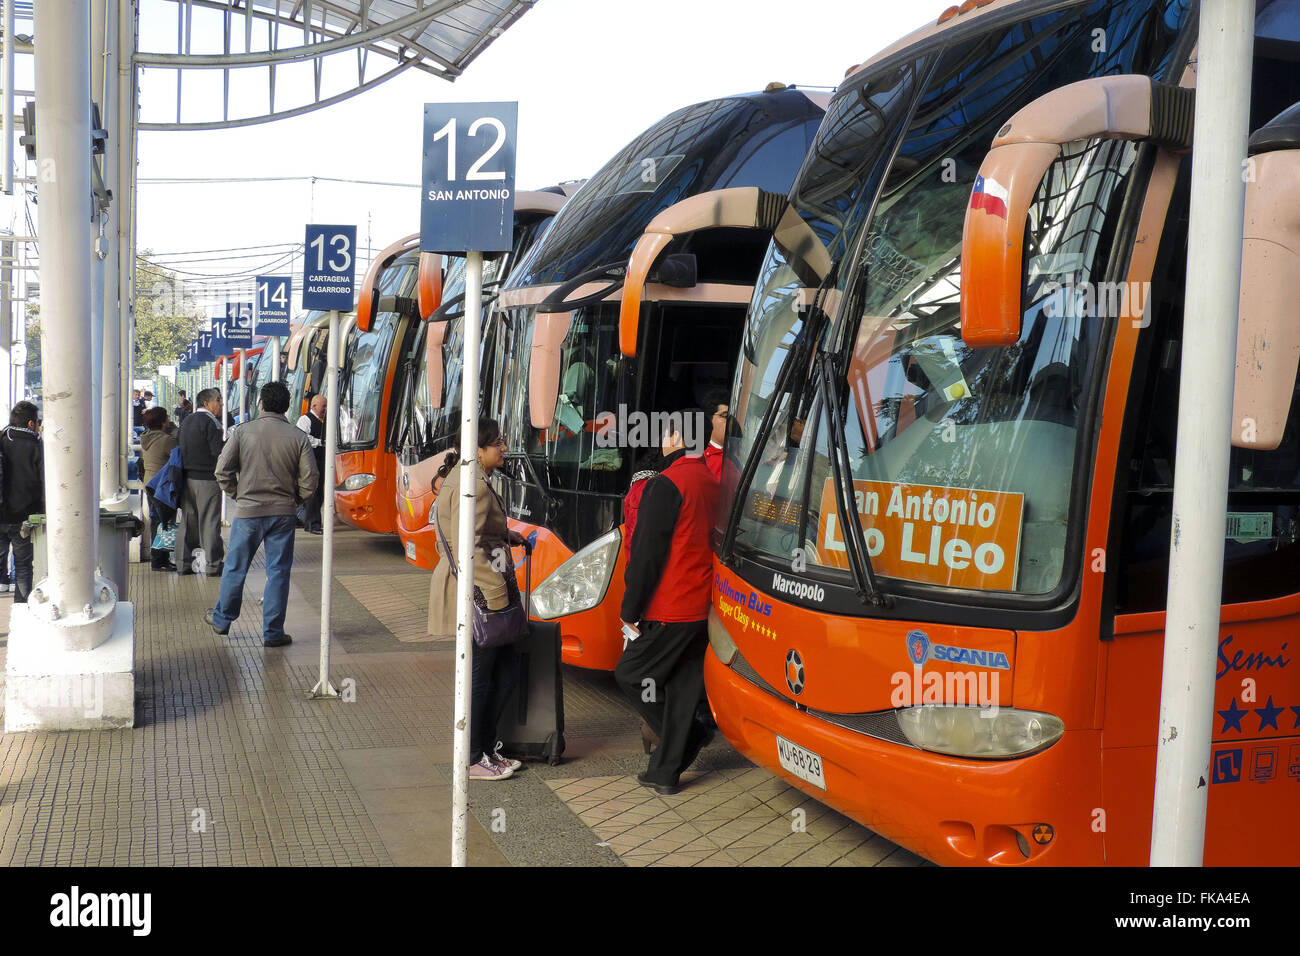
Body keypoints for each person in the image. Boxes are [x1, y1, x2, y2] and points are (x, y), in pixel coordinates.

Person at [616, 408, 719, 795]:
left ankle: (688, 736)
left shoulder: (666, 484)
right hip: (702, 606)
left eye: (665, 435)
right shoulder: (709, 481)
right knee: (680, 688)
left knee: (630, 673)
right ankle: (664, 772)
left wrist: (630, 609)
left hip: (671, 605)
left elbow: (646, 552)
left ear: (676, 439)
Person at [427, 418, 527, 781]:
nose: (504, 447)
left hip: (474, 589)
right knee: (485, 677)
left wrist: (507, 534)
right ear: (479, 448)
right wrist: (496, 594)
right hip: (482, 594)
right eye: (498, 442)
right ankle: (473, 757)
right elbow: (467, 548)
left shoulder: (466, 478)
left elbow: (468, 533)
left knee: (500, 673)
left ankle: (485, 749)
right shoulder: (474, 486)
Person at [206, 381, 318, 647]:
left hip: (248, 512)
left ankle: (223, 619)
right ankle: (273, 632)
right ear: (287, 406)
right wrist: (295, 500)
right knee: (278, 572)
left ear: (261, 404)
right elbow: (310, 478)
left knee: (235, 568)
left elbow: (222, 471)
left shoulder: (242, 432)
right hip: (283, 514)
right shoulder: (298, 437)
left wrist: (238, 494)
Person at [174, 387, 226, 575]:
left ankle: (182, 563)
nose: (220, 404)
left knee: (188, 522)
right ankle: (213, 564)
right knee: (210, 522)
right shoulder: (212, 423)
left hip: (187, 479)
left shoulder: (187, 420)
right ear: (207, 403)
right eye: (218, 400)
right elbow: (218, 452)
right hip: (207, 480)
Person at [0, 401, 43, 603]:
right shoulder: (36, 446)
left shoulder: (1, 439)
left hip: (1, 514)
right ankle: (21, 608)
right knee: (24, 566)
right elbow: (43, 481)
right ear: (30, 424)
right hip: (23, 516)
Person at [140, 407, 179, 571]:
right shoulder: (165, 440)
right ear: (163, 421)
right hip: (162, 486)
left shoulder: (145, 438)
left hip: (150, 484)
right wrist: (174, 429)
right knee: (166, 522)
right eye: (167, 418)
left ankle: (158, 559)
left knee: (156, 520)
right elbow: (179, 452)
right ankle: (160, 559)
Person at [295, 392, 327, 533]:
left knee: (320, 492)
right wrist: (320, 442)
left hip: (321, 461)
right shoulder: (305, 420)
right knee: (313, 492)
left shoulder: (323, 422)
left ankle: (309, 521)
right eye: (323, 406)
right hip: (310, 461)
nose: (325, 409)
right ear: (314, 406)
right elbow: (302, 437)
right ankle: (312, 524)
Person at [702, 390, 729, 480]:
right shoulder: (699, 457)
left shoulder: (740, 456)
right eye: (725, 416)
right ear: (709, 419)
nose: (730, 422)